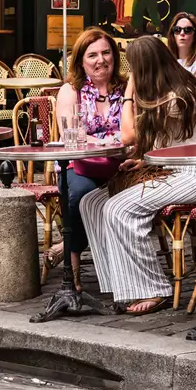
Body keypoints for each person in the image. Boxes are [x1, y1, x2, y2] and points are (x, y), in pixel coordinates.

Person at [78, 35, 196, 315]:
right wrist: (143, 161)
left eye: (133, 67)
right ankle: (121, 284)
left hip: (195, 175)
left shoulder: (179, 95)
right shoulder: (166, 90)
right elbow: (171, 143)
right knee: (91, 203)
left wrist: (129, 92)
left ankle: (153, 288)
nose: (130, 73)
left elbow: (128, 133)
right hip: (169, 169)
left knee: (118, 208)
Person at [49, 28, 127, 269]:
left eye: (106, 53)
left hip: (121, 164)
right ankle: (72, 274)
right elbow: (69, 134)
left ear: (114, 56)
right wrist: (107, 141)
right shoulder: (71, 90)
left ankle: (68, 244)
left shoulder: (127, 88)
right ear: (81, 62)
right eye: (92, 55)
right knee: (82, 194)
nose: (100, 60)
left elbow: (140, 128)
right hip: (78, 164)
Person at [165, 10, 196, 89]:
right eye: (177, 29)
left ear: (195, 36)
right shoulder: (165, 63)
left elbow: (195, 95)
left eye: (188, 30)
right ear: (172, 34)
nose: (182, 33)